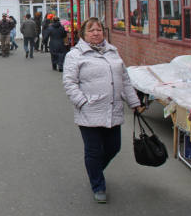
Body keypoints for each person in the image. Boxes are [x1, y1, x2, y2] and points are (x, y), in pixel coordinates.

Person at [62, 17, 144, 204]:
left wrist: (134, 103)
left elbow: (125, 80)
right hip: (89, 110)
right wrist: (82, 102)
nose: (96, 33)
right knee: (93, 151)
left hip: (113, 109)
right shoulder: (75, 55)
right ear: (83, 34)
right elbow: (69, 82)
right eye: (91, 30)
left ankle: (94, 171)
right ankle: (98, 185)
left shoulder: (112, 52)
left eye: (99, 30)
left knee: (114, 147)